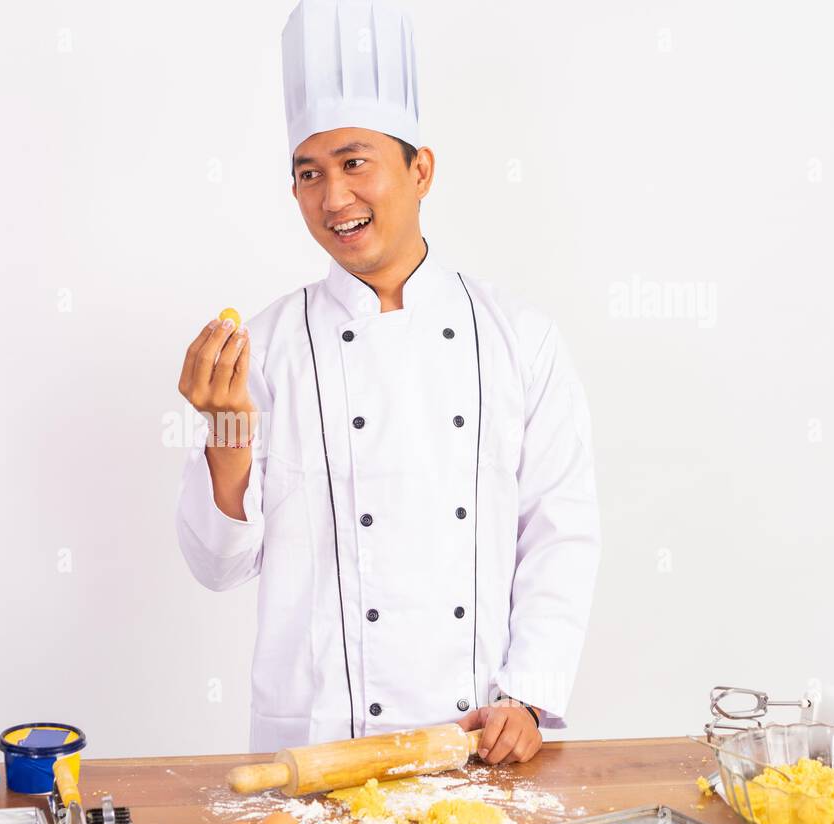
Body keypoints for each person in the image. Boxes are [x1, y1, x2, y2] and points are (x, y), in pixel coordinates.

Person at [175, 0, 599, 764]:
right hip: (314, 749)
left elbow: (560, 530)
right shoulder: (263, 347)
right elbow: (217, 567)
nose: (333, 198)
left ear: (421, 169)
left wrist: (528, 696)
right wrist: (226, 429)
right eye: (309, 174)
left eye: (354, 162)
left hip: (474, 746)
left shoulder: (519, 337)